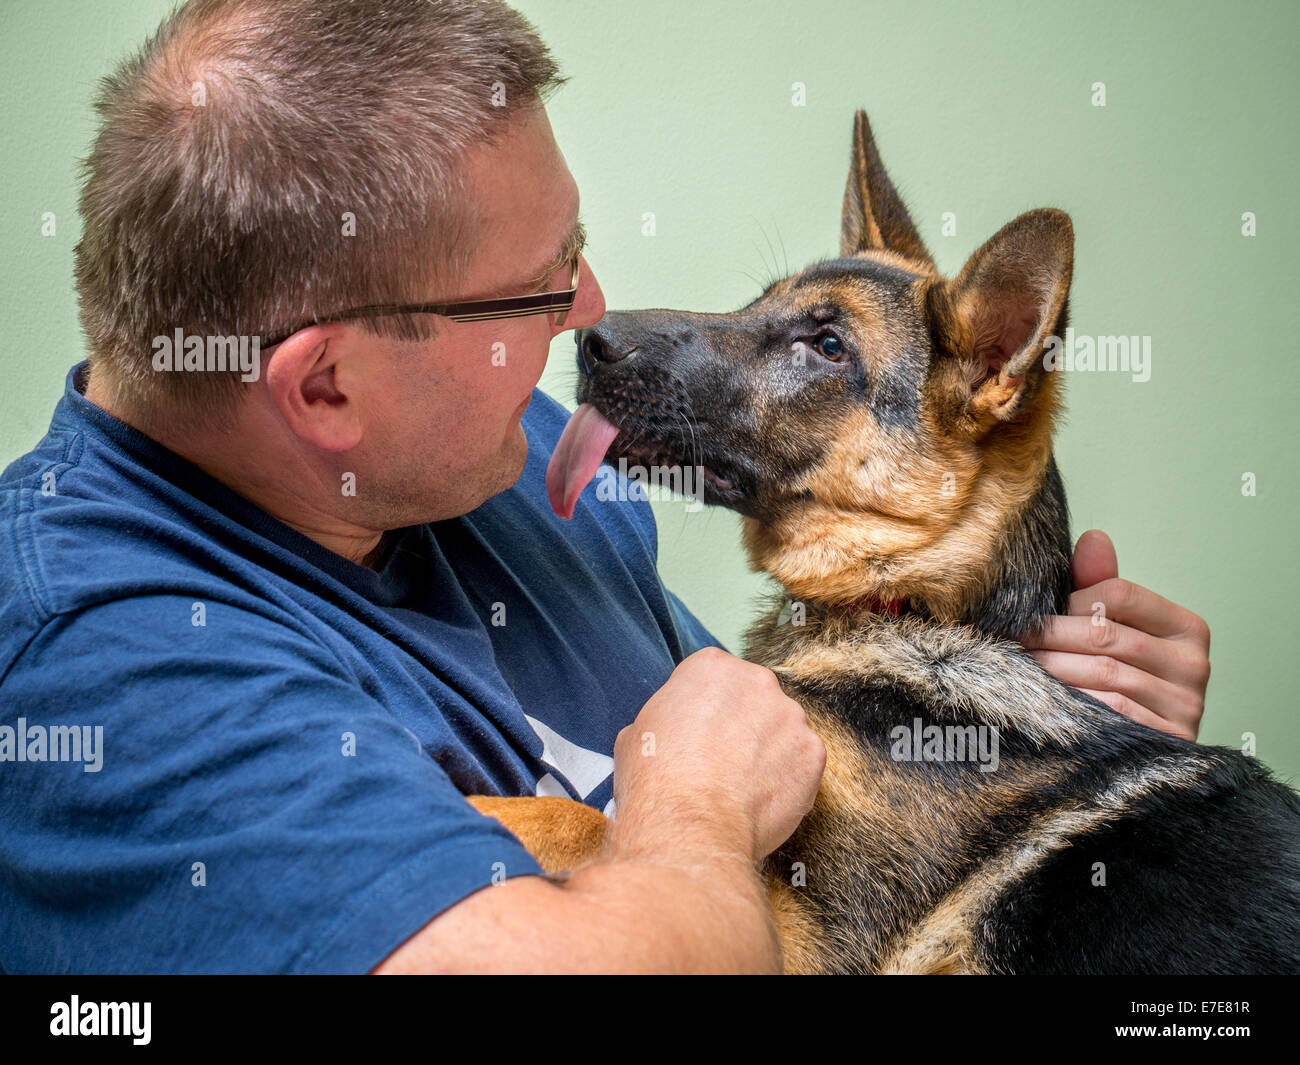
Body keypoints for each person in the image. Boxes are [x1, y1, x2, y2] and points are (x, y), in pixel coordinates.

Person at [0, 0, 1210, 975]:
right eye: (537, 286)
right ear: (324, 392)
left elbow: (857, 874)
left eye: (571, 250)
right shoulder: (115, 675)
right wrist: (690, 810)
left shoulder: (500, 456)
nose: (592, 313)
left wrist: (1054, 772)